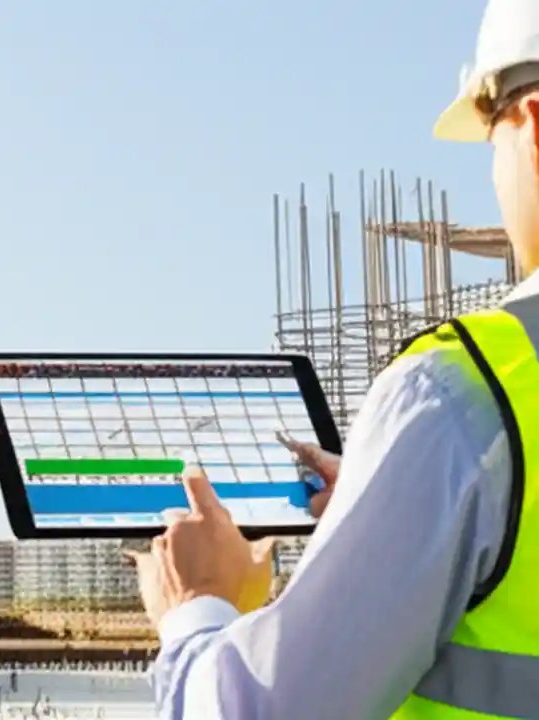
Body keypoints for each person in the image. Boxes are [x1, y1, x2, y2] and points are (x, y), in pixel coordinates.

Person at [128, 0, 539, 716]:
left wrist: (194, 609)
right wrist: (404, 508)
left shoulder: (463, 395)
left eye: (490, 141)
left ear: (533, 132)